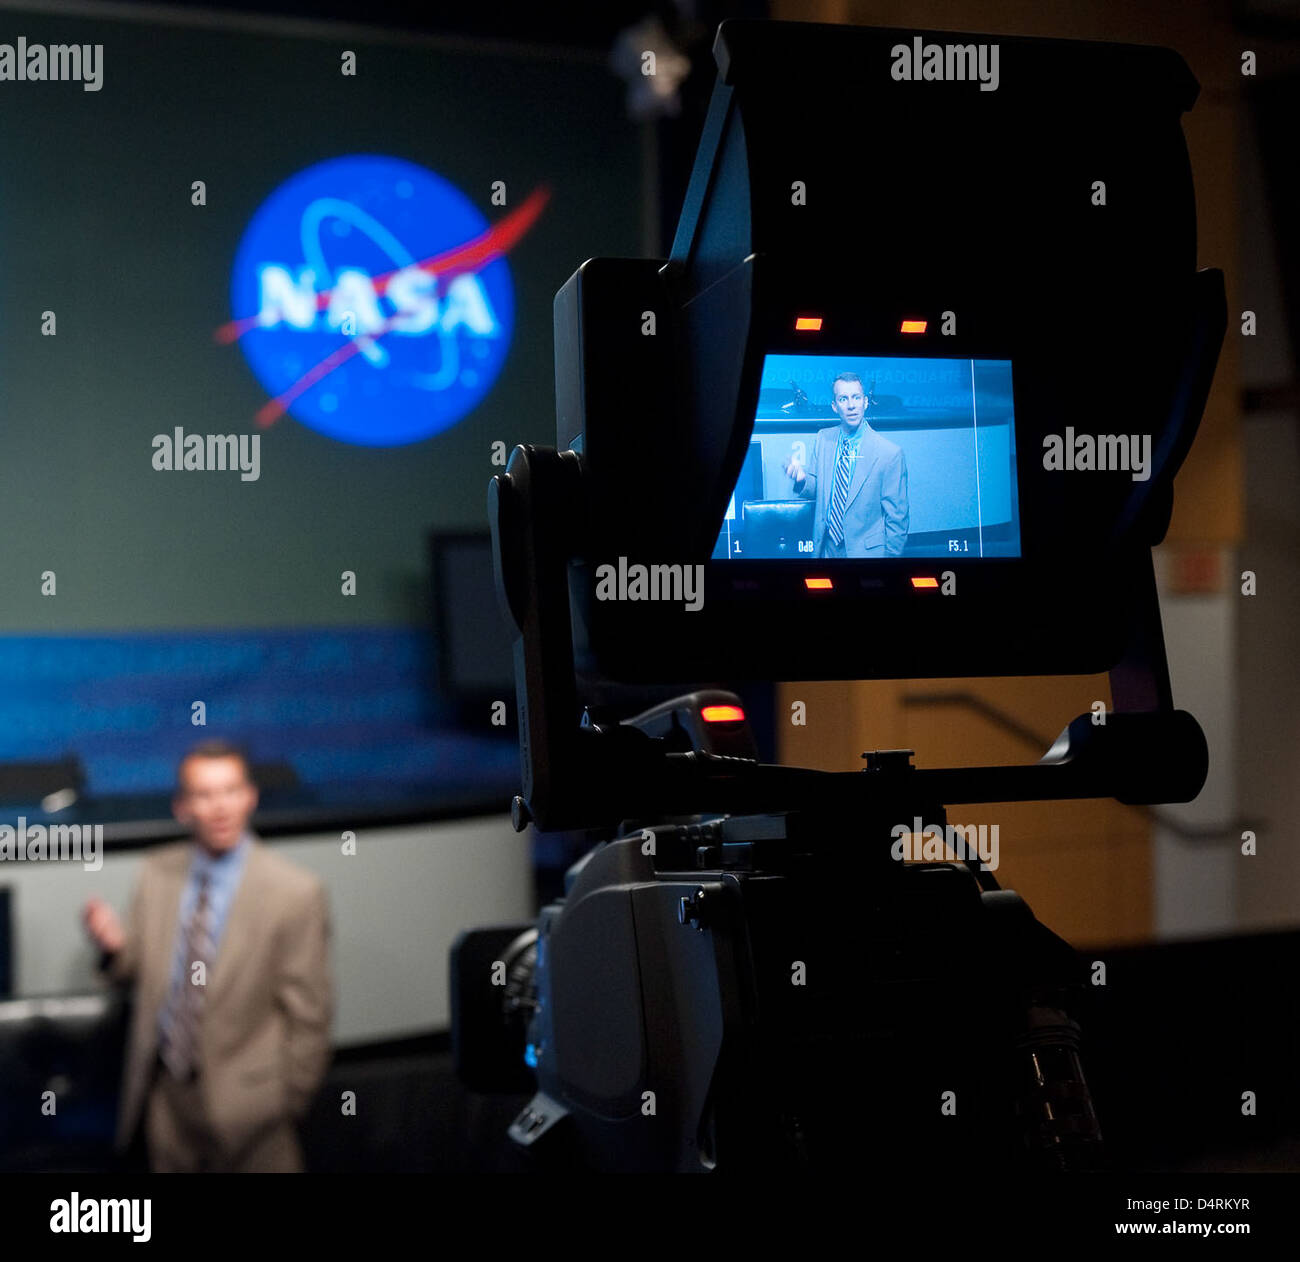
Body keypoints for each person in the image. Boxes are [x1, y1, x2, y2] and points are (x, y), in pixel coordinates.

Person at [82, 740, 332, 1172]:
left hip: (253, 1114)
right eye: (204, 794)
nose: (220, 807)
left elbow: (309, 1014)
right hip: (167, 1104)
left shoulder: (294, 893)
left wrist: (286, 1101)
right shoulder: (157, 872)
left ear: (250, 797)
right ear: (182, 806)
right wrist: (115, 949)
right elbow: (138, 972)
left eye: (231, 791)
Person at [783, 371, 909, 557]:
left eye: (856, 398)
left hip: (866, 556)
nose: (851, 405)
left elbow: (897, 520)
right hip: (826, 550)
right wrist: (802, 479)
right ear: (834, 406)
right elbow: (821, 490)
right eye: (843, 399)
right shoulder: (823, 439)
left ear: (865, 402)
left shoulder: (889, 454)